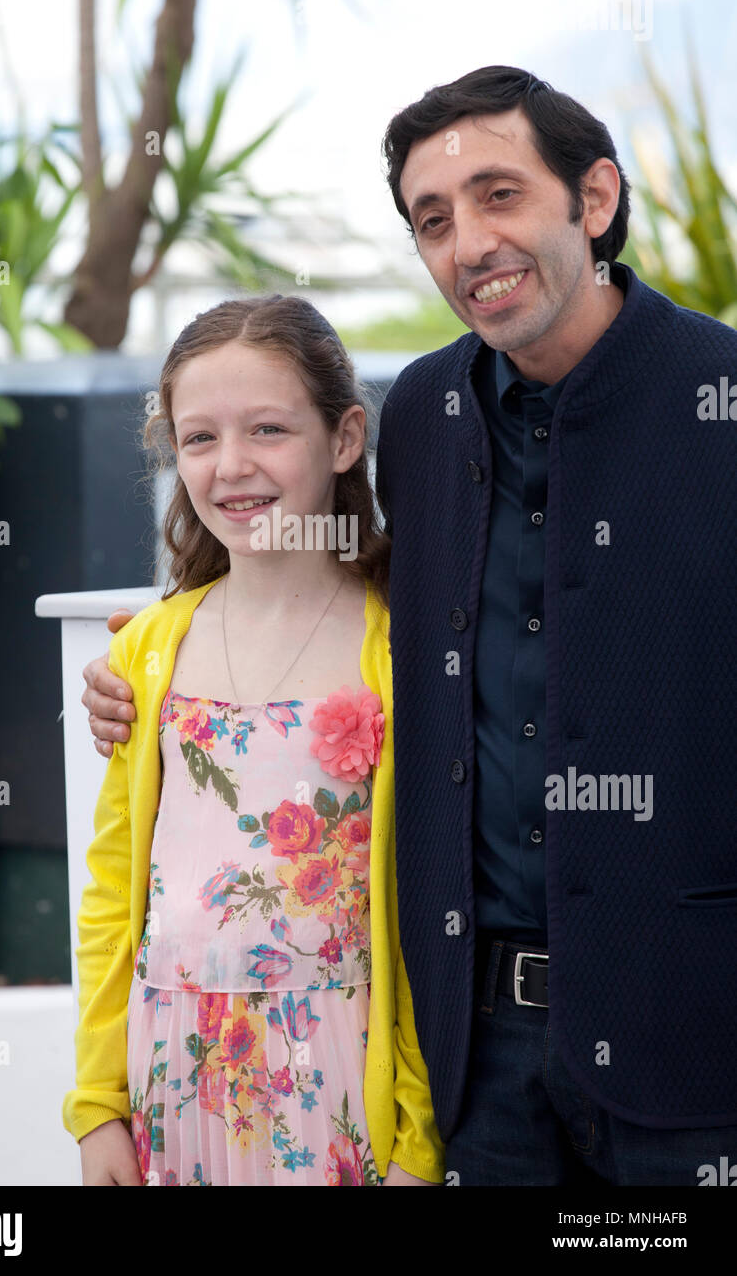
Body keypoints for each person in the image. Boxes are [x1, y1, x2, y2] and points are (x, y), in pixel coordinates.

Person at [86, 65, 737, 1186]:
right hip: (470, 1054)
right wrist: (162, 651)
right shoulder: (426, 416)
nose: (466, 241)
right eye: (432, 220)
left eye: (497, 195)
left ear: (591, 199)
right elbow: (341, 573)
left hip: (692, 1043)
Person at [63, 293, 444, 1186]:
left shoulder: (404, 646)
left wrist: (419, 1140)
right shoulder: (148, 650)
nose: (232, 466)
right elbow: (116, 896)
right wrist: (95, 1109)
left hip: (339, 1079)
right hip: (174, 1078)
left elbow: (432, 911)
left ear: (346, 438)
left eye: (268, 429)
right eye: (199, 438)